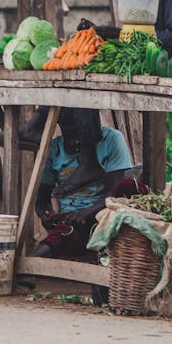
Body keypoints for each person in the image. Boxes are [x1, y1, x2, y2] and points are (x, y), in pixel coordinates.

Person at [31, 108, 136, 259]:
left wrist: (85, 213)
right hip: (70, 222)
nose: (76, 142)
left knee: (130, 186)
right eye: (70, 137)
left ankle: (33, 262)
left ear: (90, 133)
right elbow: (41, 201)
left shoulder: (111, 139)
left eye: (80, 136)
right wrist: (47, 215)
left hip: (104, 216)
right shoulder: (54, 149)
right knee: (66, 232)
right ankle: (30, 265)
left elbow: (114, 195)